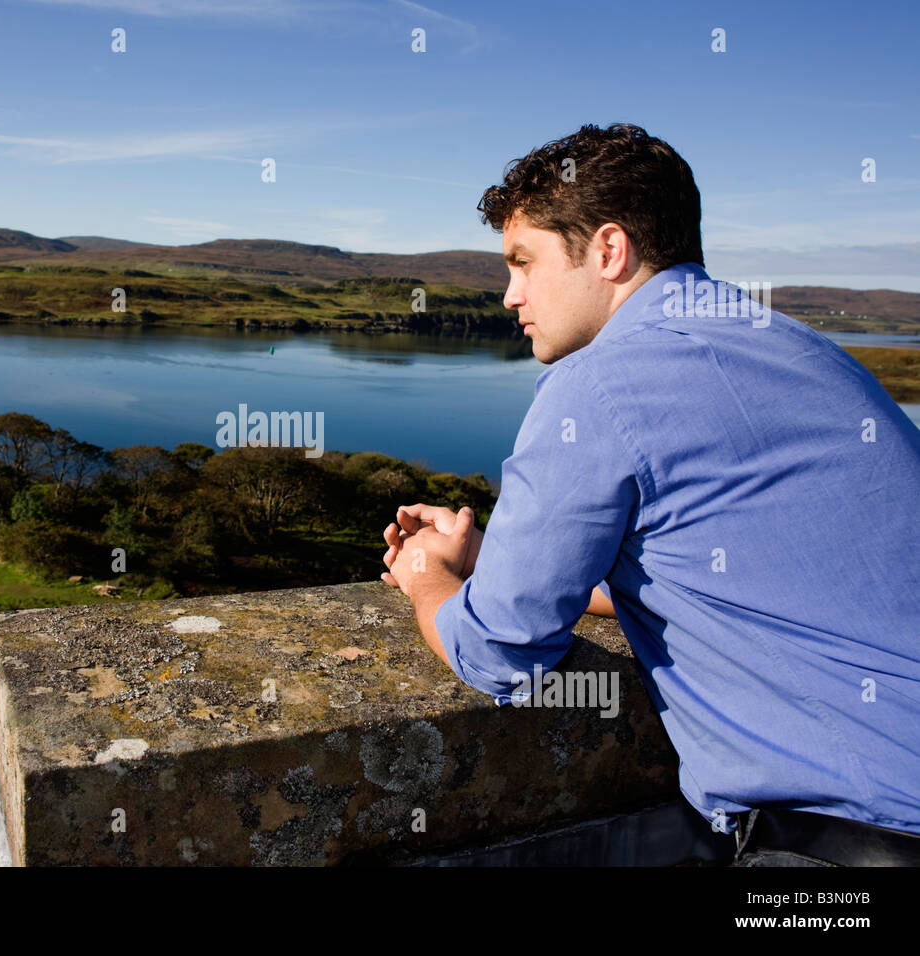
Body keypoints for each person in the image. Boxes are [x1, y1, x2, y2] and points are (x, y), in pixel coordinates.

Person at [379, 123, 920, 866]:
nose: (509, 296)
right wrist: (494, 556)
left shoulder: (599, 386)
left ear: (608, 249)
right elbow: (723, 576)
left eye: (523, 263)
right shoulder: (809, 354)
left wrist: (427, 579)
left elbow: (502, 650)